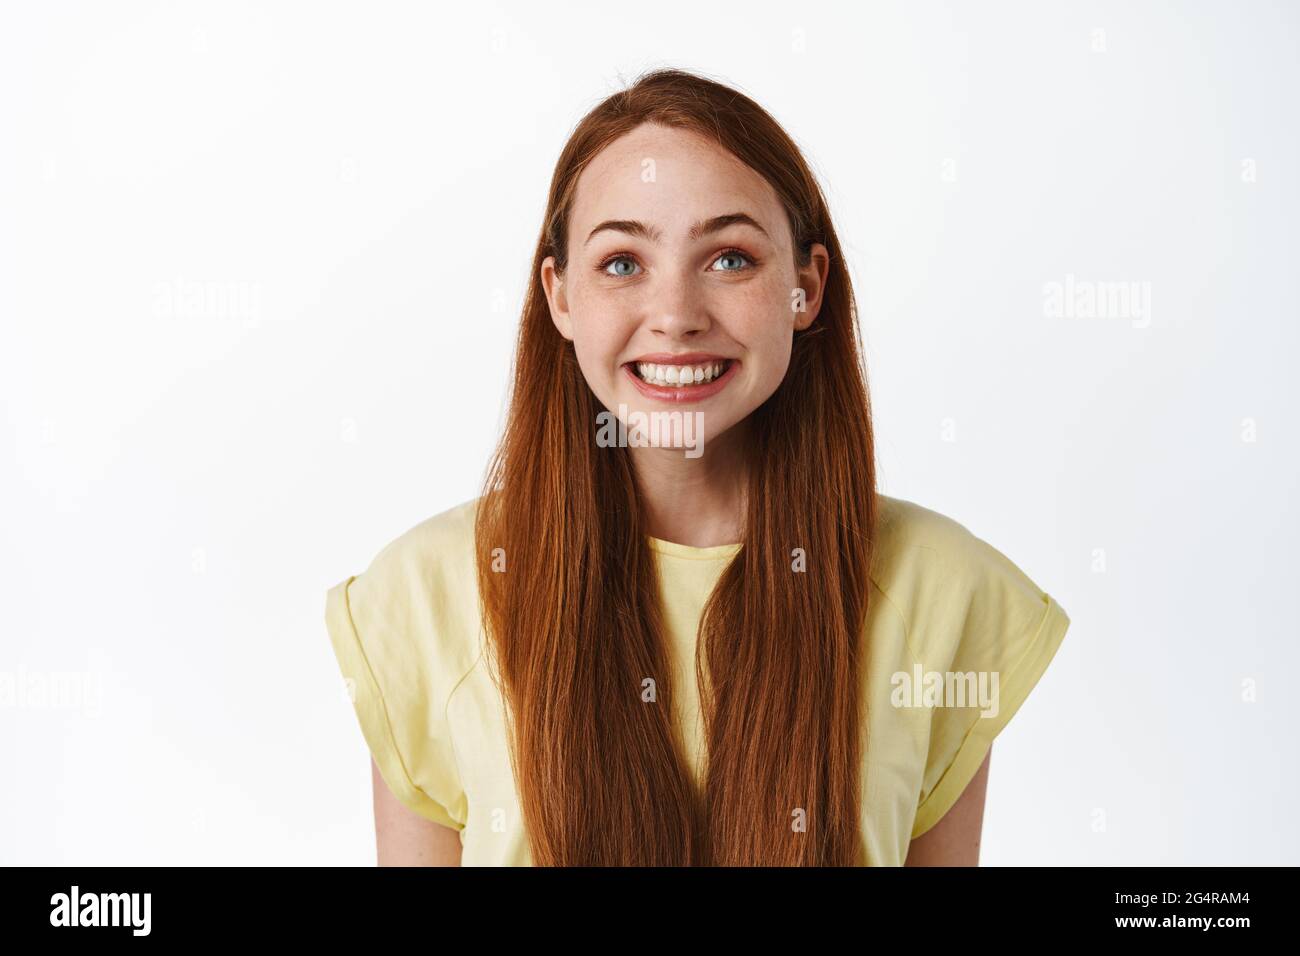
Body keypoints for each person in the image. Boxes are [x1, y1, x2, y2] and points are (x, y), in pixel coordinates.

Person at [325, 67, 1070, 866]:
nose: (676, 316)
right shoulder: (423, 598)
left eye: (730, 259)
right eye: (621, 264)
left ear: (806, 287)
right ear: (561, 295)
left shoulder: (947, 594)